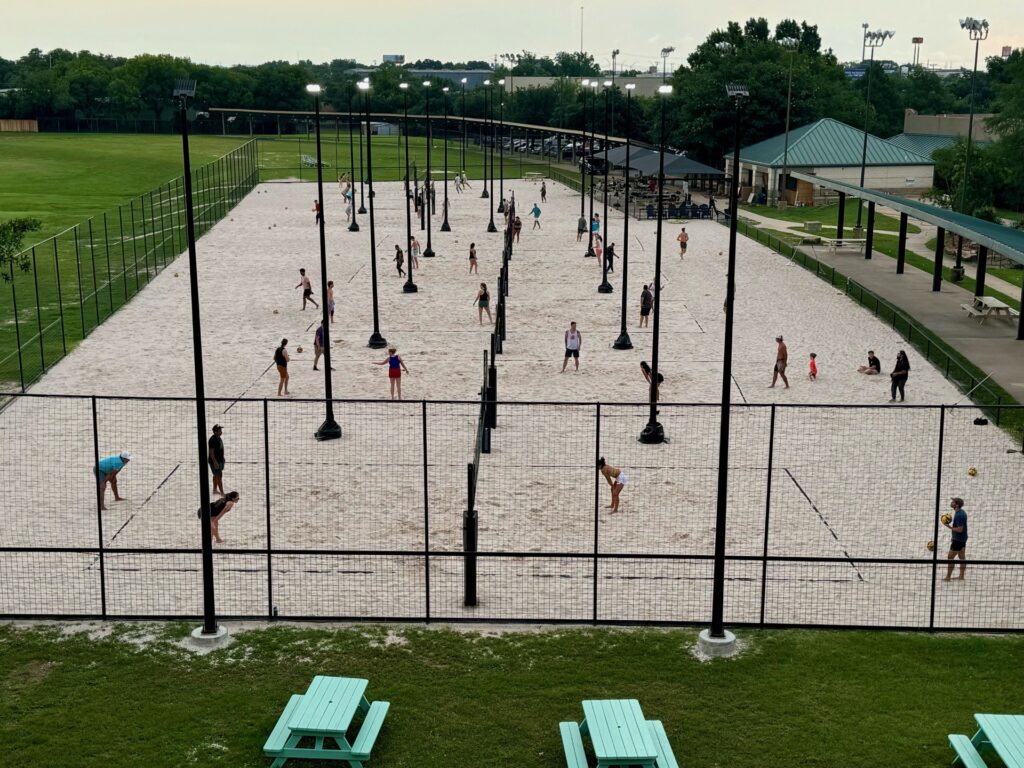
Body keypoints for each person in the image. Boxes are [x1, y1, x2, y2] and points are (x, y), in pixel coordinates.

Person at [943, 497, 968, 581]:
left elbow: (960, 529)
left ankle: (948, 577)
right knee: (962, 557)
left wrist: (949, 527)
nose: (951, 503)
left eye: (953, 502)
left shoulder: (959, 515)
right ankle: (961, 576)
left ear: (957, 505)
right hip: (961, 539)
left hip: (958, 540)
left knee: (950, 557)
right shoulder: (960, 512)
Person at [208, 424, 225, 496]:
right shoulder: (213, 440)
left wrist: (223, 458)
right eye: (219, 430)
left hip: (220, 460)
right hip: (215, 462)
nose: (221, 431)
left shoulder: (218, 438)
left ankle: (215, 490)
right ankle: (222, 493)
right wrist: (215, 462)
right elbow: (211, 452)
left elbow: (220, 449)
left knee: (216, 475)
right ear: (215, 432)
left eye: (221, 430)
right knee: (219, 476)